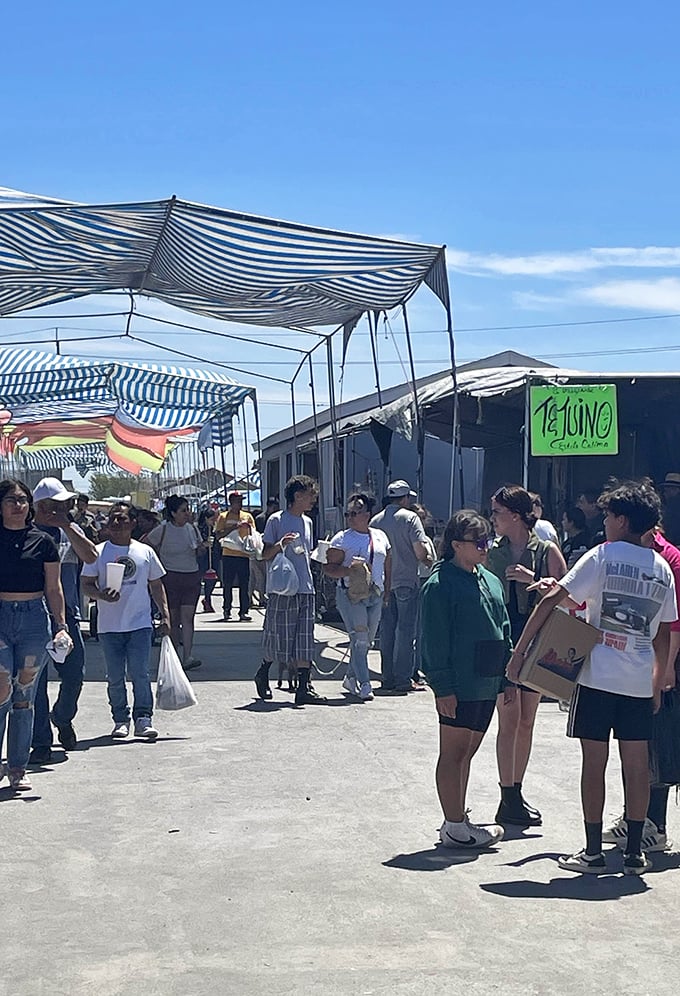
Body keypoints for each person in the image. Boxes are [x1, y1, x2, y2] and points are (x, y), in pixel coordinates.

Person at [508, 480, 677, 875]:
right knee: (636, 767)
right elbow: (666, 631)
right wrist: (655, 682)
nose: (603, 522)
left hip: (598, 677)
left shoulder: (602, 556)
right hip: (638, 682)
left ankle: (592, 851)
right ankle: (635, 853)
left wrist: (521, 653)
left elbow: (554, 597)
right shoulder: (662, 567)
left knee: (593, 763)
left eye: (606, 515)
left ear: (621, 520)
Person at [421, 510, 513, 848]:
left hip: (488, 681)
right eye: (480, 543)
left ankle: (458, 818)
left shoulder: (488, 578)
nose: (486, 548)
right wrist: (442, 687)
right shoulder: (439, 585)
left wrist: (508, 676)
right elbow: (433, 640)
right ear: (458, 545)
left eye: (489, 541)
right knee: (454, 753)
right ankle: (454, 825)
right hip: (459, 683)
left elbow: (503, 627)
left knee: (469, 752)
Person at [487, 485, 567, 826]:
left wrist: (532, 578)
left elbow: (568, 596)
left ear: (516, 516)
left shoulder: (546, 550)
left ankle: (517, 790)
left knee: (526, 720)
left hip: (536, 640)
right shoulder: (491, 551)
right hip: (503, 638)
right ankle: (507, 794)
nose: (493, 520)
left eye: (497, 513)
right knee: (508, 718)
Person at [603, 521, 680, 854]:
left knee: (660, 747)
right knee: (638, 745)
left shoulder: (669, 560)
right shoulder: (628, 553)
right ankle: (637, 818)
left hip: (664, 666)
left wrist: (665, 670)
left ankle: (655, 826)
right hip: (636, 662)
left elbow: (673, 623)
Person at [0, 479, 72, 792]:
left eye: (23, 500)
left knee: (24, 697)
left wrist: (61, 625)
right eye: (11, 500)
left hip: (32, 619)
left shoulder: (42, 541)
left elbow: (53, 587)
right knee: (1, 692)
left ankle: (17, 767)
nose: (18, 505)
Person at [81, 502, 171, 740]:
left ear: (133, 523)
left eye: (122, 519)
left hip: (139, 624)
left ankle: (143, 718)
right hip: (109, 626)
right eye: (113, 518)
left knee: (140, 673)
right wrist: (100, 595)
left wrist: (164, 613)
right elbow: (86, 584)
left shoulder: (145, 552)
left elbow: (156, 584)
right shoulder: (97, 552)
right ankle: (120, 719)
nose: (116, 523)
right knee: (115, 676)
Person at [30, 477, 98, 764]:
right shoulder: (26, 531)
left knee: (73, 675)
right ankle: (41, 741)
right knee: (36, 683)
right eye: (59, 504)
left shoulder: (68, 531)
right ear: (42, 506)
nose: (65, 507)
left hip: (65, 615)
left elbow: (91, 556)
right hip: (32, 614)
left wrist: (67, 526)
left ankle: (62, 715)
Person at [255, 475, 319, 707]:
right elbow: (264, 553)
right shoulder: (276, 519)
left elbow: (308, 552)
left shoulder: (308, 522)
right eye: (310, 495)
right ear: (297, 496)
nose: (313, 499)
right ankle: (263, 671)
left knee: (304, 637)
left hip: (305, 586)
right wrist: (281, 544)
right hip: (283, 588)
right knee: (278, 635)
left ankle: (303, 687)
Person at [324, 493, 391, 701]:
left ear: (367, 514)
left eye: (355, 513)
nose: (351, 517)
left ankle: (351, 676)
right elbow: (329, 568)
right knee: (360, 639)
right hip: (351, 594)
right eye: (348, 513)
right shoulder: (342, 539)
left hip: (376, 594)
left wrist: (388, 590)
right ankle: (365, 683)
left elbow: (387, 563)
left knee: (367, 641)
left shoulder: (380, 536)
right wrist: (351, 571)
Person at [369, 480, 433, 695]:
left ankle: (387, 677)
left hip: (383, 582)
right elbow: (419, 551)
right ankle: (403, 678)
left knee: (387, 631)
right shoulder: (410, 518)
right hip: (406, 580)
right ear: (405, 498)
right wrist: (428, 558)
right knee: (406, 631)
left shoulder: (375, 520)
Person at [146, 495, 206, 671]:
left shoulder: (192, 529)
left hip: (191, 576)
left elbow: (200, 550)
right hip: (170, 577)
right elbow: (146, 545)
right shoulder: (162, 530)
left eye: (188, 509)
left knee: (188, 617)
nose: (187, 513)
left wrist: (202, 549)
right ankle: (173, 656)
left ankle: (187, 656)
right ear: (173, 513)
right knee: (172, 619)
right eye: (183, 510)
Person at [215, 491, 256, 622]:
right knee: (227, 584)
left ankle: (244, 611)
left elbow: (253, 533)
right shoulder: (223, 517)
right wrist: (234, 527)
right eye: (237, 501)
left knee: (244, 584)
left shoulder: (247, 516)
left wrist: (247, 527)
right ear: (231, 502)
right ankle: (227, 609)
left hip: (243, 555)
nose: (239, 503)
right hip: (228, 554)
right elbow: (218, 535)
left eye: (241, 501)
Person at [196, 506, 218, 613]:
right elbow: (196, 544)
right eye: (212, 519)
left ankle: (207, 598)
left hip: (213, 556)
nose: (214, 521)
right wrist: (205, 544)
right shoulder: (199, 529)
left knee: (212, 579)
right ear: (206, 518)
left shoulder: (214, 529)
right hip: (202, 557)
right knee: (200, 579)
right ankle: (206, 600)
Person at [658, 472, 680, 547]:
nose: (666, 493)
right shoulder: (665, 509)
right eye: (666, 490)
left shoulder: (673, 508)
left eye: (671, 489)